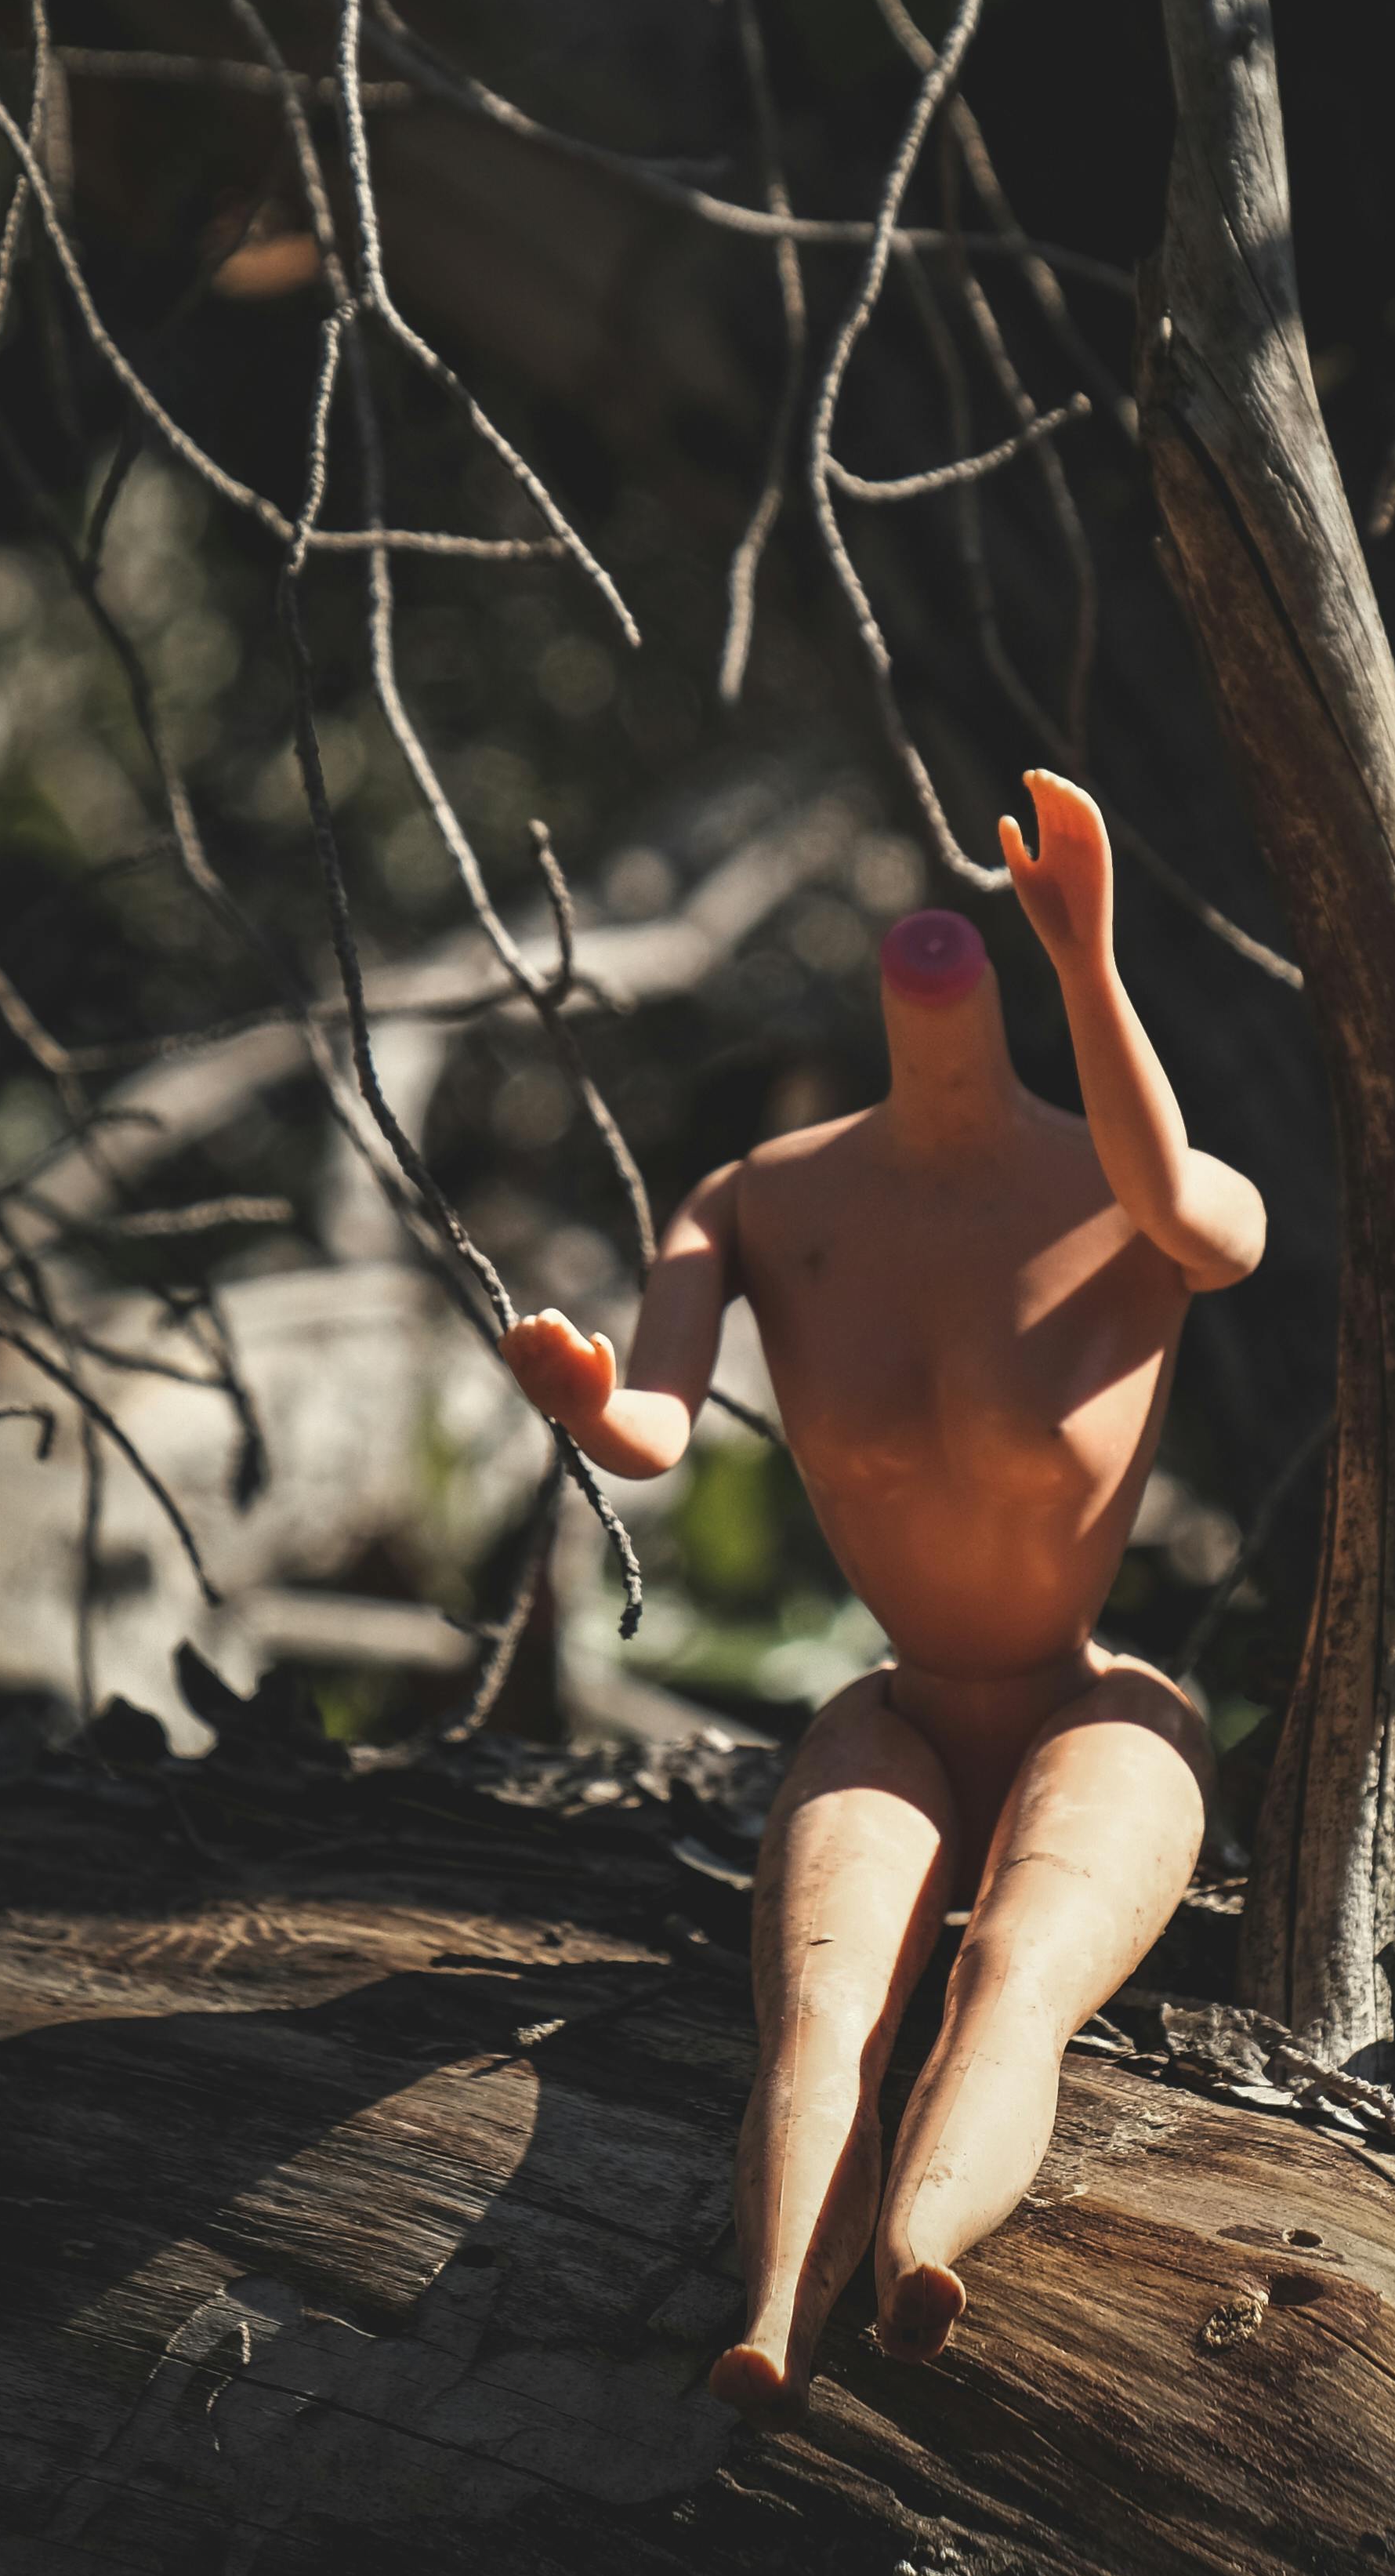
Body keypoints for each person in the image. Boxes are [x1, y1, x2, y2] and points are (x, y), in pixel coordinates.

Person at [500, 767, 1266, 2406]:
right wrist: (583, 1401)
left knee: (1018, 1975)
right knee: (823, 2011)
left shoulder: (1131, 1202)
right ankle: (773, 2309)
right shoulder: (761, 1206)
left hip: (1099, 1706)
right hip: (891, 1707)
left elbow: (1185, 1207)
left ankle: (924, 2244)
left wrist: (1087, 967)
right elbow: (656, 1423)